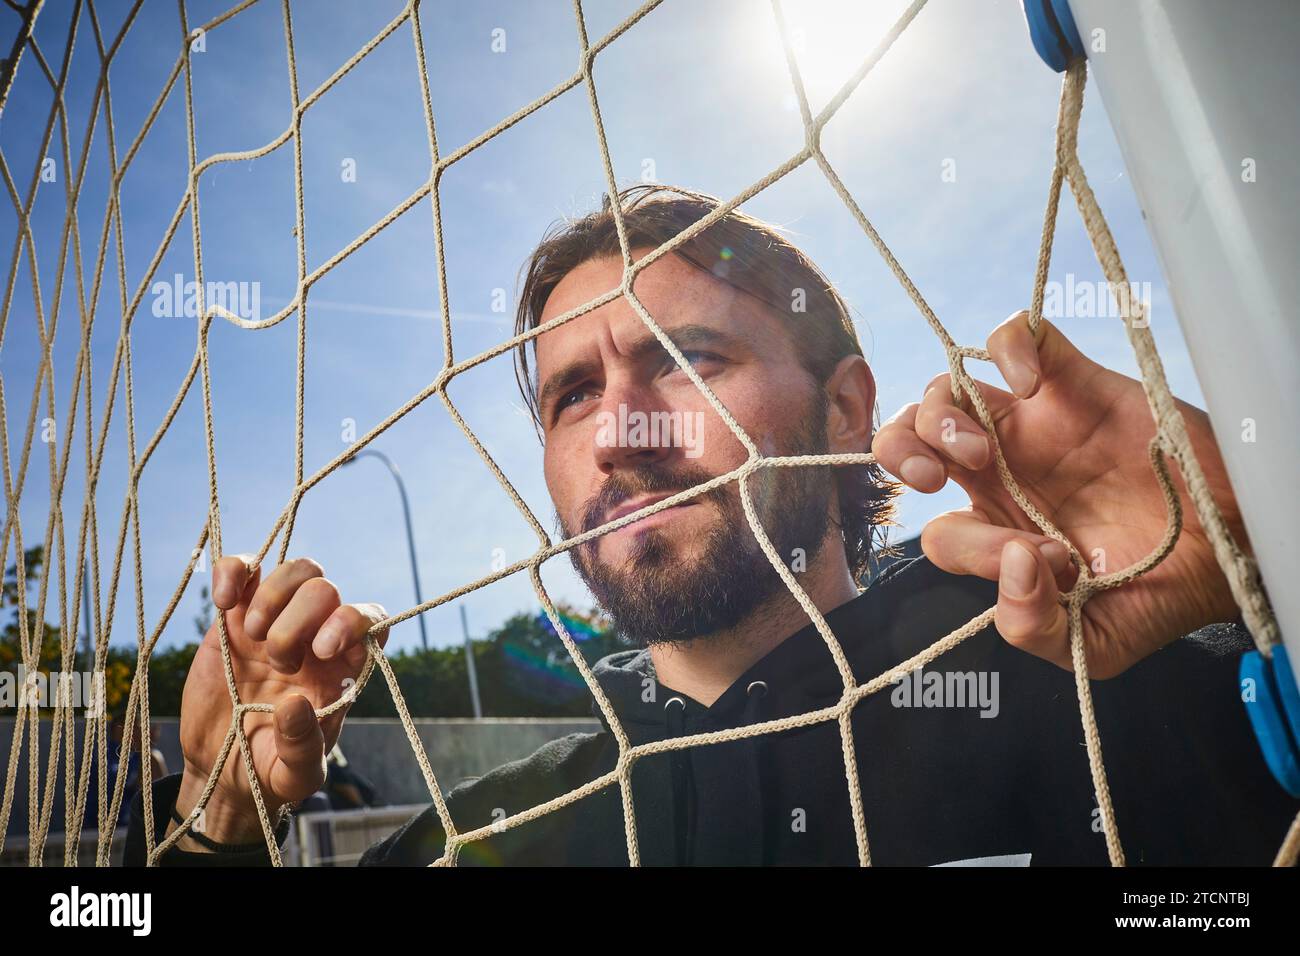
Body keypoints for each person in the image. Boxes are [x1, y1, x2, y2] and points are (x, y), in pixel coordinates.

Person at [125, 184, 1298, 866]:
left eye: (686, 357)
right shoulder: (501, 831)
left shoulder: (1096, 670)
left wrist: (1263, 564)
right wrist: (216, 813)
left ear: (845, 407)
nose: (619, 430)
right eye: (571, 394)